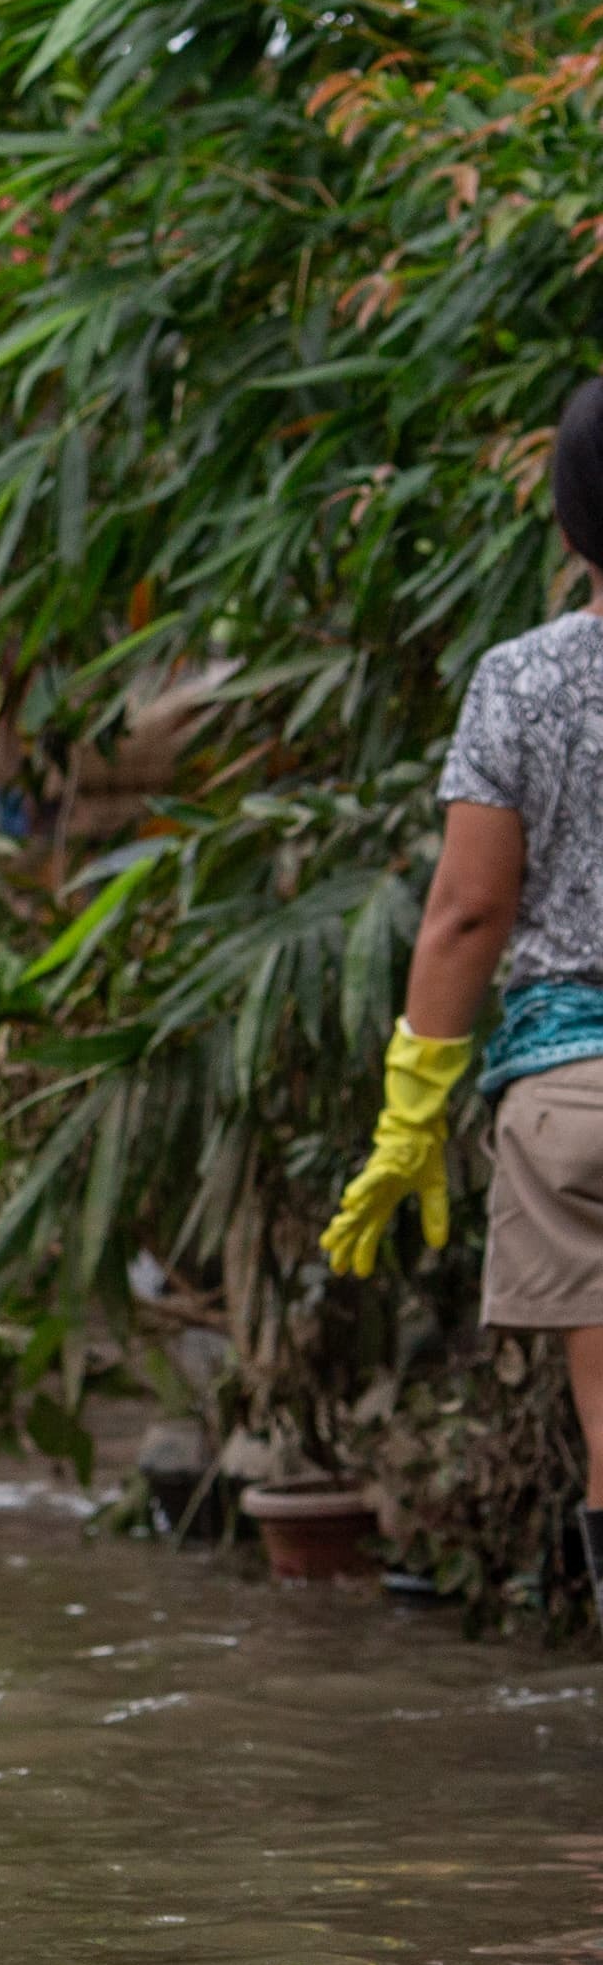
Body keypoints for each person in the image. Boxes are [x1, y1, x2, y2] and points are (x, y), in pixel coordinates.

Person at [332, 378, 603, 1585]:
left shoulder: (522, 682)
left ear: (565, 522)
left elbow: (468, 909)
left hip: (577, 1102)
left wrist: (412, 1106)